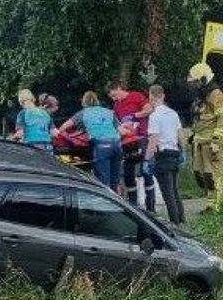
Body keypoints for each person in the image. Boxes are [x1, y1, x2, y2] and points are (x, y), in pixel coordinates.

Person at [58, 91, 121, 189]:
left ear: (84, 102)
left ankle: (104, 203)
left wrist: (70, 138)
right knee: (115, 181)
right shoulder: (109, 112)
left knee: (103, 183)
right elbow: (122, 130)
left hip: (101, 147)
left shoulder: (83, 113)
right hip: (117, 145)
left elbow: (62, 128)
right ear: (97, 100)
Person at [108, 80, 155, 211]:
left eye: (114, 95)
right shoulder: (116, 105)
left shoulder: (136, 96)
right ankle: (135, 207)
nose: (114, 98)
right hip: (126, 142)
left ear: (119, 88)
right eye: (112, 97)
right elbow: (116, 122)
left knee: (146, 172)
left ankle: (151, 207)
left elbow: (149, 109)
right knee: (128, 174)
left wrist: (133, 116)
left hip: (141, 138)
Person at [143, 85, 185, 225]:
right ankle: (182, 218)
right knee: (174, 189)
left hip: (163, 156)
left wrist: (147, 160)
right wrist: (183, 151)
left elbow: (153, 140)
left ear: (151, 97)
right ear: (163, 95)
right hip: (174, 153)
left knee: (167, 193)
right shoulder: (173, 113)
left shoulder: (154, 116)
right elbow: (180, 136)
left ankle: (175, 223)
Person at [187, 63, 223, 213]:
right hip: (200, 140)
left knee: (213, 174)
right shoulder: (201, 95)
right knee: (201, 174)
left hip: (211, 142)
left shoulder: (216, 94)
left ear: (203, 79)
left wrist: (216, 140)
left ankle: (216, 206)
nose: (194, 85)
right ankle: (210, 204)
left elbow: (221, 117)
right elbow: (200, 119)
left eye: (195, 82)